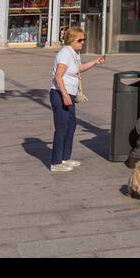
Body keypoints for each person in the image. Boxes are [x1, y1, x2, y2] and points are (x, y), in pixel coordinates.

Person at [49, 27, 104, 173]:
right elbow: (58, 76)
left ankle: (65, 158)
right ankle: (56, 162)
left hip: (69, 95)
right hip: (60, 94)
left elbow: (78, 68)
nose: (83, 42)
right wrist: (65, 95)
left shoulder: (74, 53)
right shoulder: (65, 53)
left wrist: (95, 62)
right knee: (61, 127)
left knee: (71, 125)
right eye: (80, 40)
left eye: (84, 39)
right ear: (71, 40)